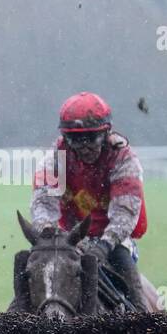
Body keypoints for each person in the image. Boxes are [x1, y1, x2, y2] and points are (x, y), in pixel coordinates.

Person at [30, 91, 148, 309]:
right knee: (29, 269)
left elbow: (125, 212)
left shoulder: (123, 157)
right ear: (65, 138)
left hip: (113, 241)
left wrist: (104, 245)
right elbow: (43, 205)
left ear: (106, 133)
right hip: (67, 239)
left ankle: (146, 327)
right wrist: (50, 233)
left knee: (133, 291)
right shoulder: (55, 158)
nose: (84, 147)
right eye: (75, 139)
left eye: (91, 138)